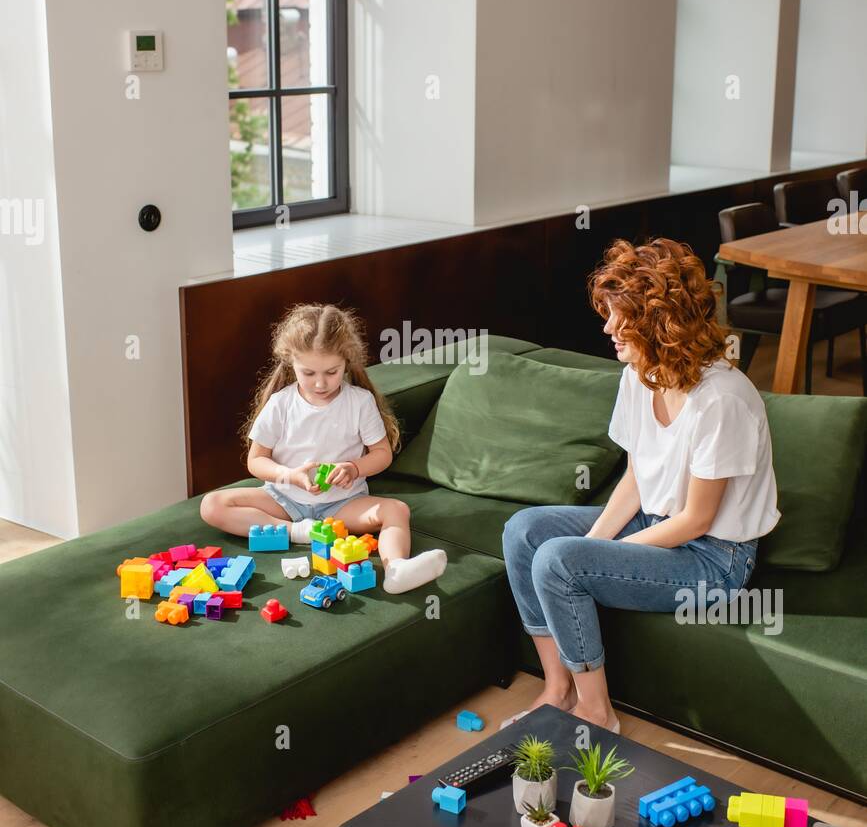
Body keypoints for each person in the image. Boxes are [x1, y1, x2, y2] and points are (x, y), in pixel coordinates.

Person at [501, 237, 780, 731]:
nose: (607, 328)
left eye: (619, 317)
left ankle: (597, 713)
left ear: (660, 323)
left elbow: (697, 519)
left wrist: (583, 557)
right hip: (656, 520)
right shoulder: (639, 374)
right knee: (525, 531)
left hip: (714, 559)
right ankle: (558, 688)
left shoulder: (722, 400)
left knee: (559, 559)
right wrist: (590, 549)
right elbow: (635, 477)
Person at [200, 302, 447, 595]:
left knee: (396, 510)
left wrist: (354, 468)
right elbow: (257, 461)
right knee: (212, 505)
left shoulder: (359, 402)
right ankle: (299, 533)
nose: (320, 383)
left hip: (343, 504)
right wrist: (291, 476)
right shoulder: (281, 403)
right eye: (308, 373)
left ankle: (396, 569)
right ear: (291, 362)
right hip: (284, 500)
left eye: (332, 372)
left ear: (347, 362)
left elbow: (382, 454)